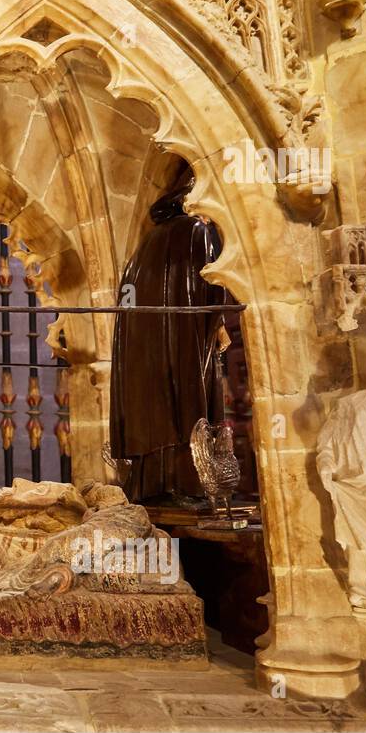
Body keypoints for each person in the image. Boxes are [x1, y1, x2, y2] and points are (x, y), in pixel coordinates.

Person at [109, 184, 233, 504]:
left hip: (147, 358)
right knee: (185, 396)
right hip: (184, 342)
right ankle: (187, 483)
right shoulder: (196, 232)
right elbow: (211, 287)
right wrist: (217, 327)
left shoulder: (144, 247)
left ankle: (154, 482)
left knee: (157, 402)